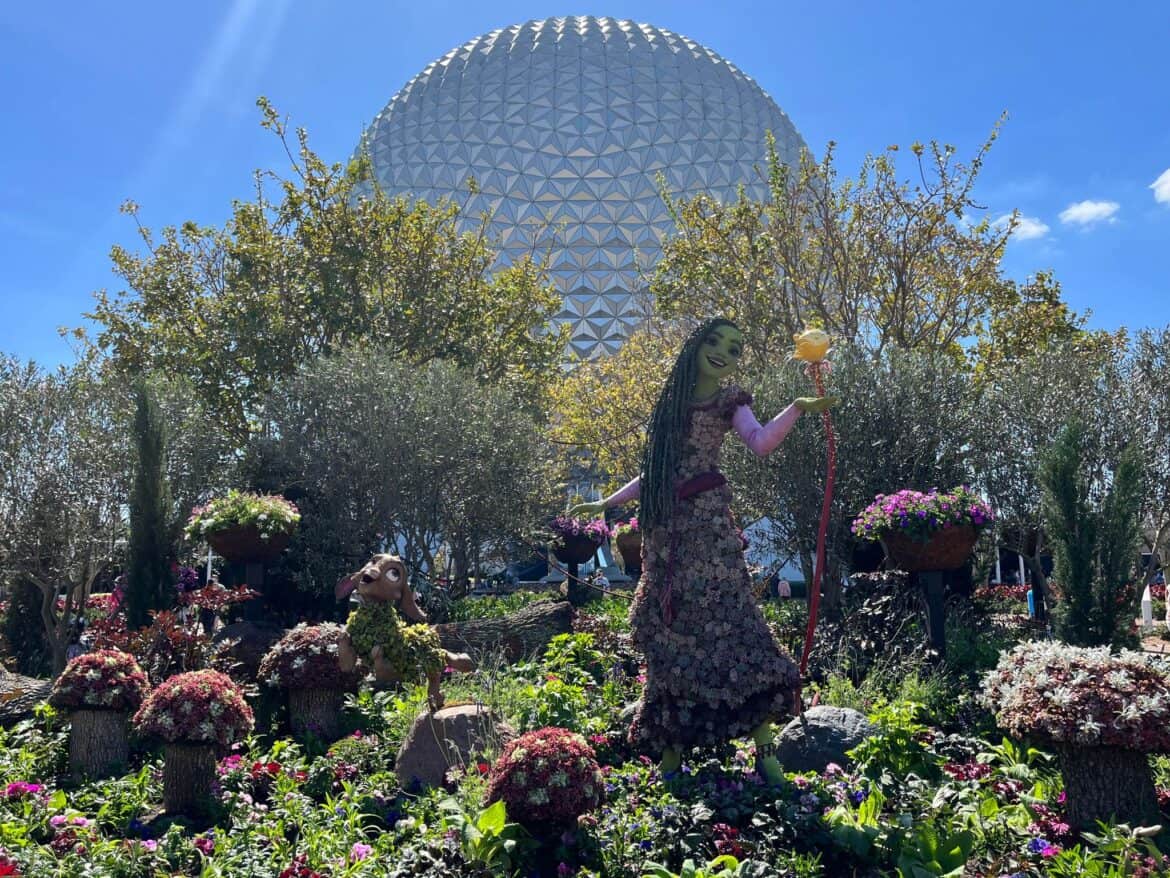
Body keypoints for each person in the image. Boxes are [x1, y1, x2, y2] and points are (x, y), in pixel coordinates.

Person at [571, 318, 837, 784]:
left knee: (732, 621)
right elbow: (655, 473)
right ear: (695, 345)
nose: (722, 353)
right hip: (667, 532)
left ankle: (765, 750)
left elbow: (760, 443)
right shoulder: (671, 406)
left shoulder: (729, 401)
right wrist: (607, 502)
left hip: (710, 527)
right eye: (715, 342)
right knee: (672, 628)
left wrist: (795, 407)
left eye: (733, 348)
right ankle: (672, 756)